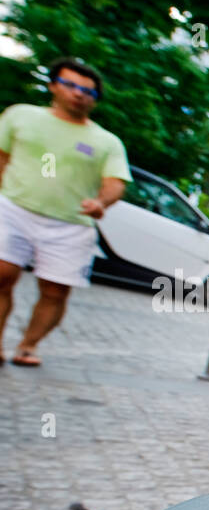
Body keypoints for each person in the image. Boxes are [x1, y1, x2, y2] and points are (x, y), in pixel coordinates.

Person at [0, 58, 130, 367]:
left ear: (95, 100)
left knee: (56, 291)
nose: (79, 94)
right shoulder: (21, 116)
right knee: (2, 275)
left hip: (70, 224)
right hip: (13, 209)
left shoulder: (105, 142)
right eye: (71, 85)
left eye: (88, 91)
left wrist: (101, 202)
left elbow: (115, 183)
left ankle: (29, 345)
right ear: (53, 86)